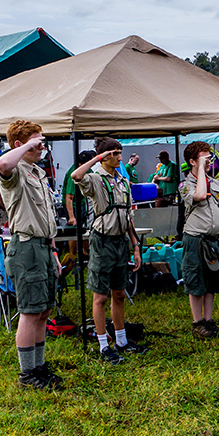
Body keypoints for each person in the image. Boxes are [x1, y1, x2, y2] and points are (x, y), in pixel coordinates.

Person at [0, 120, 63, 390]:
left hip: (44, 247)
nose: (42, 147)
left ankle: (39, 366)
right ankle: (27, 374)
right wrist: (27, 148)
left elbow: (46, 217)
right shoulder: (16, 171)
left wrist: (55, 251)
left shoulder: (37, 172)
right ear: (18, 145)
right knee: (29, 311)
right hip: (26, 248)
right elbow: (2, 166)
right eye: (38, 142)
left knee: (44, 310)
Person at [72, 137, 148, 364]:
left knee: (119, 294)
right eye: (114, 153)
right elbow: (76, 176)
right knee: (100, 296)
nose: (119, 157)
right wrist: (97, 157)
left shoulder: (123, 181)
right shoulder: (95, 179)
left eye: (119, 153)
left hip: (120, 242)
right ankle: (103, 345)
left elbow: (128, 217)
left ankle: (122, 340)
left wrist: (135, 246)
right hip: (102, 241)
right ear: (104, 156)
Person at [179, 141, 219, 339]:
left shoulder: (215, 182)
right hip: (195, 239)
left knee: (212, 281)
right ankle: (197, 322)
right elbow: (200, 195)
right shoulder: (185, 185)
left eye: (210, 158)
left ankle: (209, 321)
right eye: (204, 159)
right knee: (196, 281)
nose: (209, 162)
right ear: (192, 161)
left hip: (213, 239)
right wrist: (200, 169)